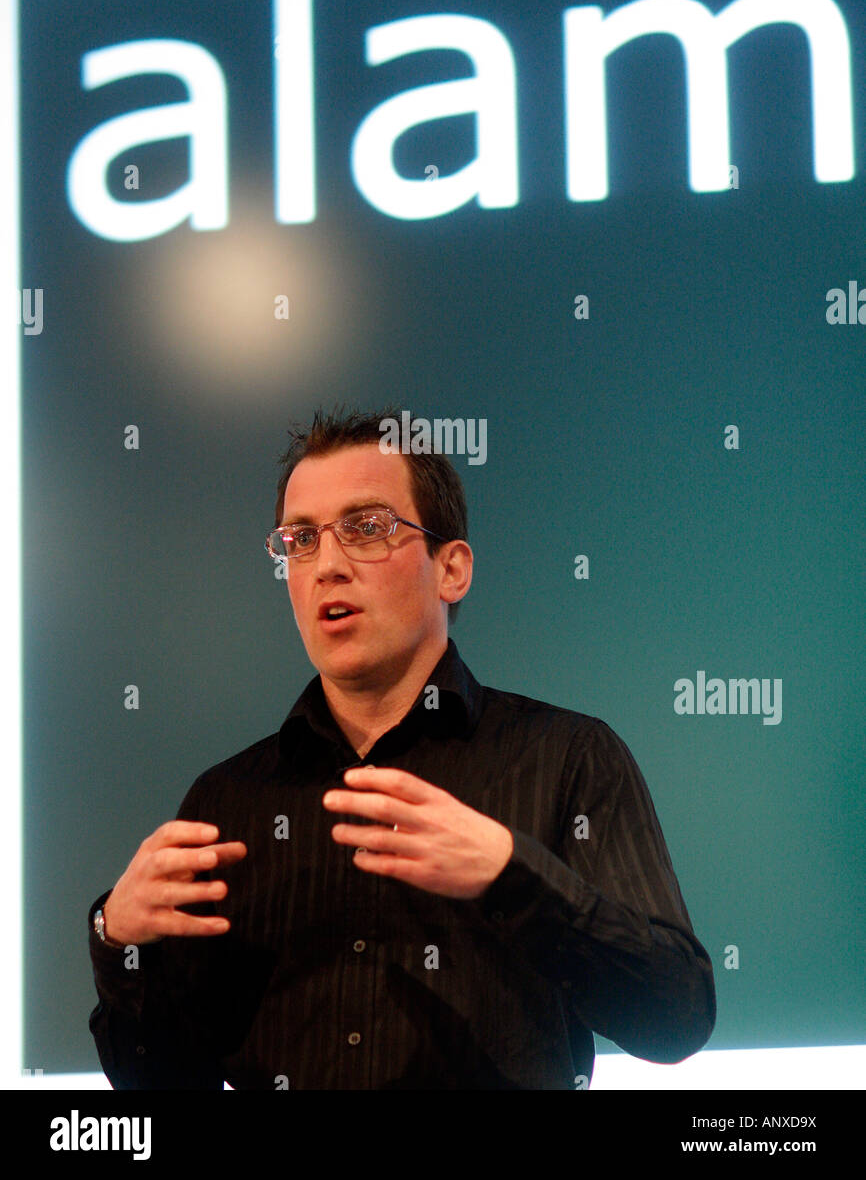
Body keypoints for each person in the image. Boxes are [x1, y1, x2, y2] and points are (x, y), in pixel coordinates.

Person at [88, 407, 715, 1089]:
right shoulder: (227, 801)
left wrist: (511, 875)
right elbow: (161, 1085)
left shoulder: (570, 757)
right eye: (300, 539)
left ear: (452, 570)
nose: (327, 565)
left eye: (366, 529)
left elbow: (674, 1018)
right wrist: (117, 941)